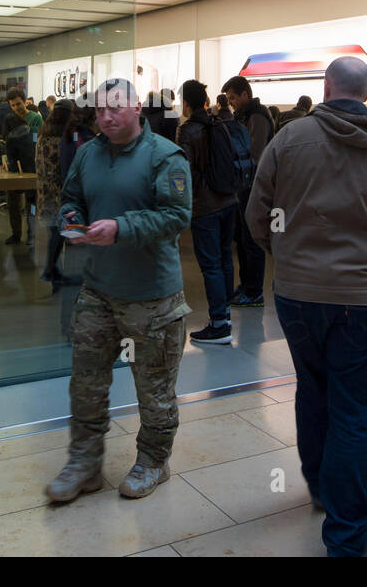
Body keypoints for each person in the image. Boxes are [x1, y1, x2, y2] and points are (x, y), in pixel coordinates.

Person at [246, 56, 367, 557]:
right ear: (366, 90)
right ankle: (347, 534)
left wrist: (285, 254)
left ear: (326, 87)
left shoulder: (288, 140)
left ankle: (320, 488)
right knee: (355, 410)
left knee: (313, 391)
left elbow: (255, 215)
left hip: (297, 296)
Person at [45, 78, 192, 502]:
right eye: (99, 110)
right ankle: (84, 463)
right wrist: (72, 220)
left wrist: (121, 228)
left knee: (155, 390)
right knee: (86, 384)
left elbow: (176, 216)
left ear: (137, 108)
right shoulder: (90, 153)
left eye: (114, 108)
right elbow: (71, 196)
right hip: (99, 291)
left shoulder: (165, 157)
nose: (105, 117)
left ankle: (153, 461)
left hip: (153, 297)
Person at [175, 80, 239, 345]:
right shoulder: (220, 122)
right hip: (229, 200)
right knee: (224, 259)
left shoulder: (188, 130)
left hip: (206, 205)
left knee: (211, 264)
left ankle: (219, 324)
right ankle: (223, 315)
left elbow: (185, 171)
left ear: (186, 103)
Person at [221, 75, 276, 308]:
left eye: (233, 97)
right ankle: (246, 286)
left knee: (251, 240)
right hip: (243, 187)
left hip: (253, 187)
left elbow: (256, 154)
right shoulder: (244, 116)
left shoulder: (257, 117)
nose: (231, 102)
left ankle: (254, 291)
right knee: (243, 240)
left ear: (246, 94)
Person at [36, 98, 75, 292]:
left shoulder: (43, 133)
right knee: (59, 234)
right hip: (59, 192)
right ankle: (50, 270)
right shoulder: (64, 138)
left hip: (45, 192)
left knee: (55, 233)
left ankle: (54, 274)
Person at [1, 88, 42, 244]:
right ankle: (16, 234)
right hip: (14, 169)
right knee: (13, 204)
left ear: (25, 101)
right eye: (12, 105)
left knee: (32, 204)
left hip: (31, 168)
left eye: (18, 103)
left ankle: (32, 235)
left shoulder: (35, 119)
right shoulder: (10, 119)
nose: (16, 107)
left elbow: (37, 140)